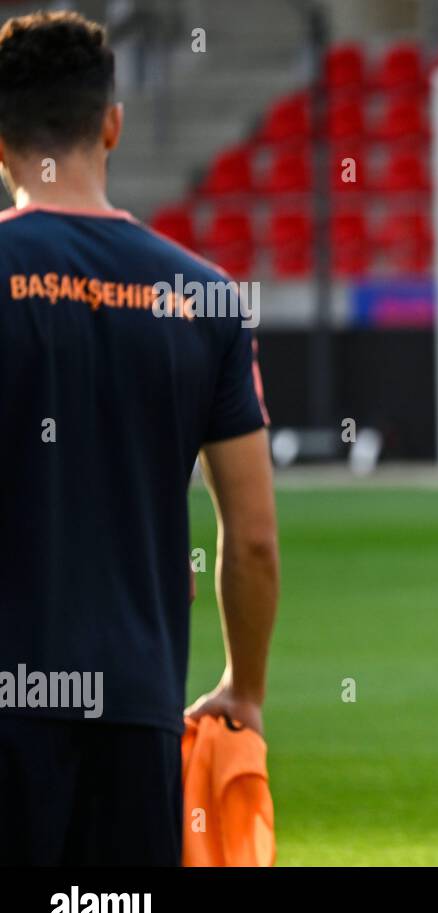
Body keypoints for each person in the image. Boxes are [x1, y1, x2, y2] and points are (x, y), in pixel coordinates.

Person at [0, 10, 278, 865]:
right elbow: (255, 540)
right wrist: (246, 687)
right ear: (112, 124)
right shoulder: (207, 297)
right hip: (137, 701)